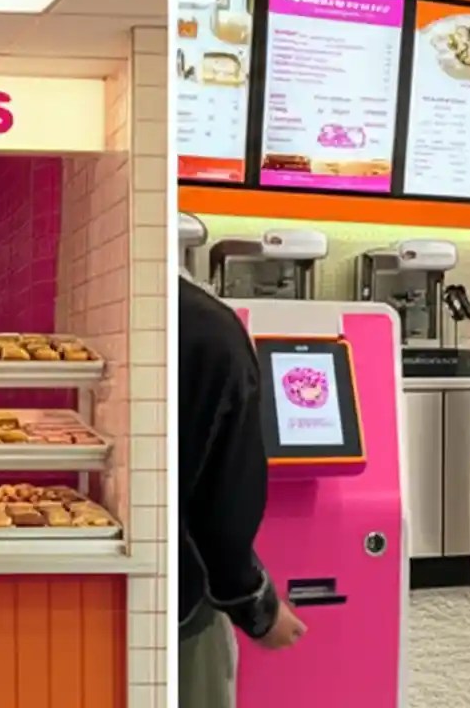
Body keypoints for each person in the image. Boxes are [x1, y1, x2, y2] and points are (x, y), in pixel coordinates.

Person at [179, 275, 307, 708]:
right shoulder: (212, 330)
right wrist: (258, 610)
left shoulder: (107, 311)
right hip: (183, 607)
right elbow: (224, 504)